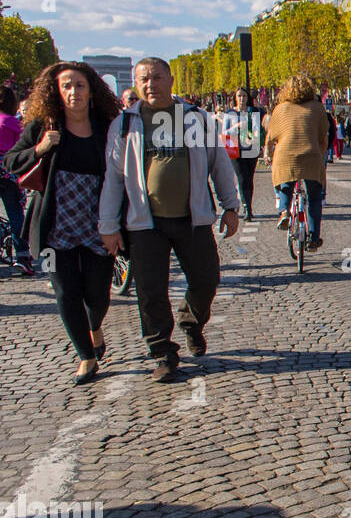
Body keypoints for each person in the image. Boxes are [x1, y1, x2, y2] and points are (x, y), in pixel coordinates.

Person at [99, 57, 240, 383]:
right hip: (145, 223)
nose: (151, 84)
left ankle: (192, 320)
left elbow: (219, 163)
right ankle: (162, 351)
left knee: (207, 279)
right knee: (150, 292)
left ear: (171, 80)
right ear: (135, 82)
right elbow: (113, 180)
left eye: (157, 77)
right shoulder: (124, 124)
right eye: (144, 79)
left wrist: (230, 206)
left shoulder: (196, 119)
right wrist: (107, 226)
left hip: (193, 218)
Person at [2, 63, 120, 381]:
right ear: (56, 90)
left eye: (79, 85)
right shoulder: (43, 125)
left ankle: (94, 326)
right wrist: (40, 149)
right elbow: (11, 160)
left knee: (98, 293)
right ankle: (85, 357)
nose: (73, 92)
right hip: (56, 225)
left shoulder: (106, 125)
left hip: (98, 224)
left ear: (91, 89)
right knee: (65, 292)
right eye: (66, 86)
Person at [265, 73, 329, 252]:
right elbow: (324, 136)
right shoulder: (317, 107)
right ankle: (314, 238)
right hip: (311, 155)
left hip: (287, 157)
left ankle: (284, 211)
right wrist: (319, 154)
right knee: (315, 198)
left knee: (286, 185)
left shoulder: (281, 108)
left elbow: (272, 137)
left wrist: (268, 154)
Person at [0, 86, 35, 275]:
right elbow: (23, 149)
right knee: (15, 215)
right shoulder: (12, 123)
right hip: (8, 173)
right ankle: (22, 256)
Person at [225, 87, 263, 221]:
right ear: (235, 98)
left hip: (251, 148)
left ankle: (249, 204)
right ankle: (246, 207)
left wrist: (255, 137)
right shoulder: (230, 113)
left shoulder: (253, 112)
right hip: (236, 150)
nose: (242, 99)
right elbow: (225, 132)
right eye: (239, 96)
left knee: (249, 178)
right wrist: (237, 127)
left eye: (244, 96)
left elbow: (258, 129)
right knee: (241, 178)